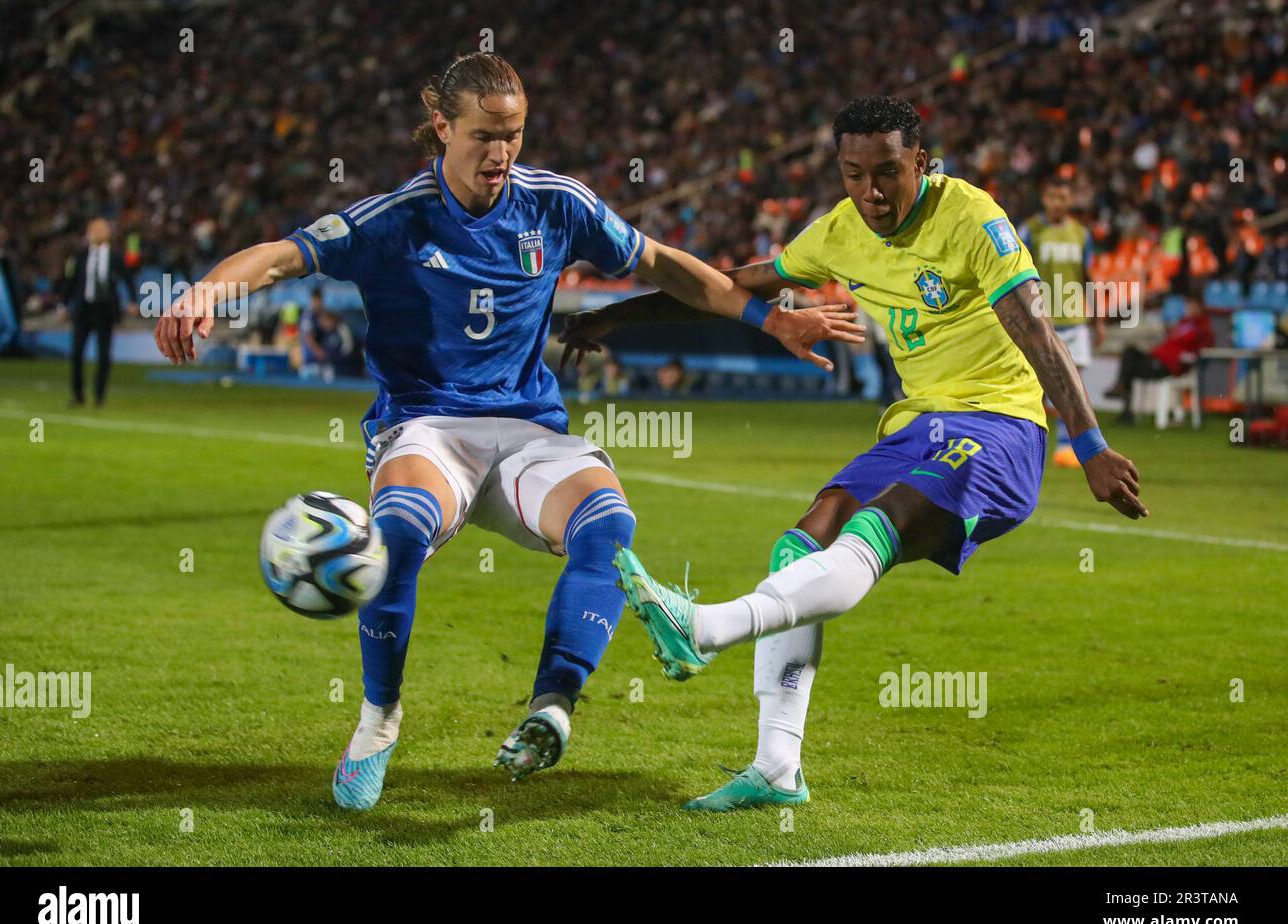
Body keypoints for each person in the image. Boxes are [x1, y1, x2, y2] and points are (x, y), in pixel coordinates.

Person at [153, 53, 859, 811]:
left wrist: (767, 316)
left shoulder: (556, 204)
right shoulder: (395, 218)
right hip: (426, 426)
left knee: (608, 525)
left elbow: (663, 264)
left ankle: (551, 706)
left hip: (528, 430)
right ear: (442, 128)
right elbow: (283, 256)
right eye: (484, 136)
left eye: (514, 135)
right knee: (394, 539)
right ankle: (377, 721)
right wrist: (207, 290)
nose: (501, 153)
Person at [565, 95, 1147, 812]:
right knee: (802, 544)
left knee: (880, 523)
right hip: (916, 425)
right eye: (853, 174)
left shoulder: (971, 216)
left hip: (1001, 427)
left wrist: (1090, 446)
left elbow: (1036, 328)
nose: (871, 192)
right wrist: (609, 318)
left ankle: (707, 626)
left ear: (922, 165)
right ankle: (778, 767)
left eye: (888, 173)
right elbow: (730, 288)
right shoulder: (839, 232)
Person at [1018, 178, 1105, 467]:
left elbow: (1087, 275)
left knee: (1074, 385)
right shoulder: (1031, 230)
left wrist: (1098, 318)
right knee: (1037, 388)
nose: (1059, 203)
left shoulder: (1081, 233)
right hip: (1041, 321)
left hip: (1074, 317)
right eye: (1054, 196)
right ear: (1045, 198)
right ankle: (1028, 445)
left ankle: (1067, 446)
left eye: (1064, 197)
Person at [58, 218, 137, 406]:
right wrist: (63, 304)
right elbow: (71, 281)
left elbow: (127, 278)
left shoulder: (115, 256)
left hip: (105, 310)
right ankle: (78, 395)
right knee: (77, 353)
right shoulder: (80, 255)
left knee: (104, 355)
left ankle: (99, 396)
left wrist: (133, 301)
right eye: (94, 230)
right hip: (84, 309)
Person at [1104, 295, 1214, 425]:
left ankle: (1124, 401)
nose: (1189, 308)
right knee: (1130, 353)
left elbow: (1202, 349)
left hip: (1171, 365)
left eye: (1192, 305)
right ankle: (1123, 396)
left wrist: (1184, 359)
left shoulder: (1202, 327)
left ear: (1200, 307)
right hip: (1158, 358)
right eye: (1188, 305)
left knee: (1129, 366)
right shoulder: (1183, 323)